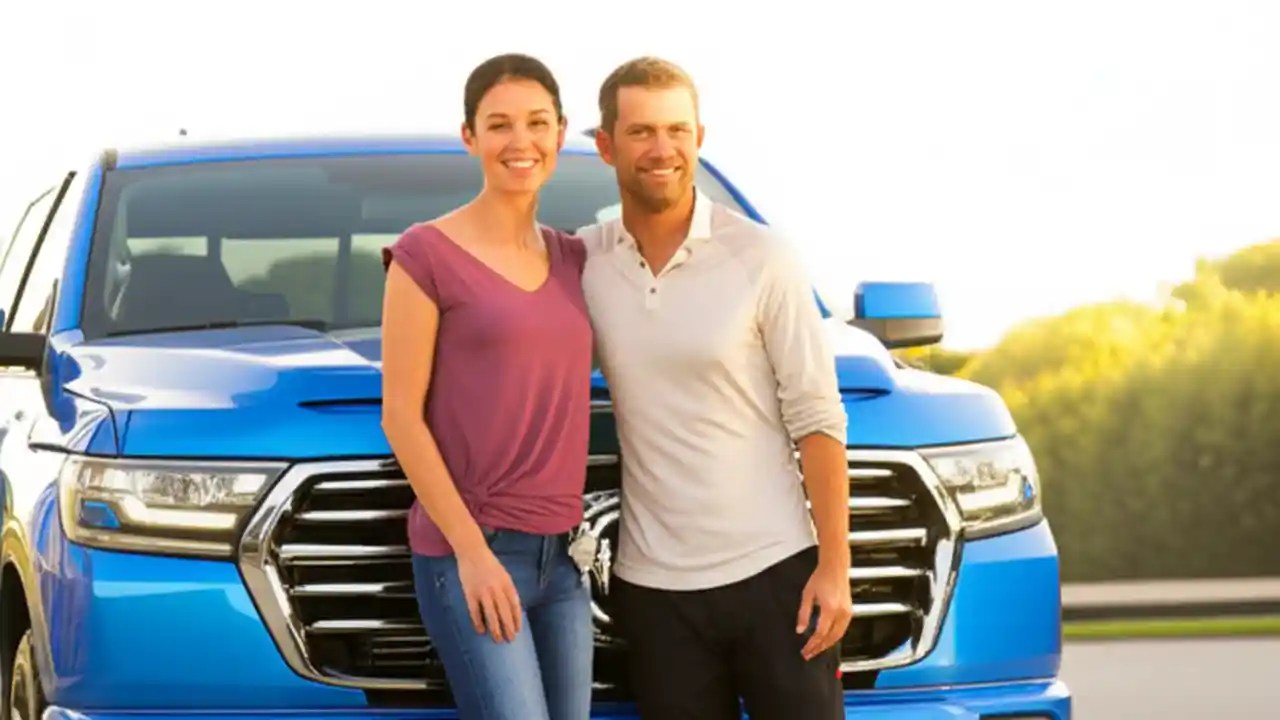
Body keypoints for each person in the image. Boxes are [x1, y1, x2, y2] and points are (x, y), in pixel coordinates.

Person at [576, 56, 853, 719]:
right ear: (607, 145)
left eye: (677, 129)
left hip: (776, 574)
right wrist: (420, 261)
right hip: (654, 592)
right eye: (641, 132)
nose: (662, 149)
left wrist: (835, 566)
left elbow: (817, 416)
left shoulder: (761, 257)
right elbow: (498, 279)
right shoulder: (582, 262)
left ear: (700, 136)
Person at [380, 53, 595, 720]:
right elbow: (401, 418)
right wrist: (472, 553)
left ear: (562, 132)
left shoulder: (573, 258)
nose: (520, 142)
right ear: (470, 136)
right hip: (471, 549)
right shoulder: (425, 256)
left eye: (536, 123)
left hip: (564, 559)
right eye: (499, 124)